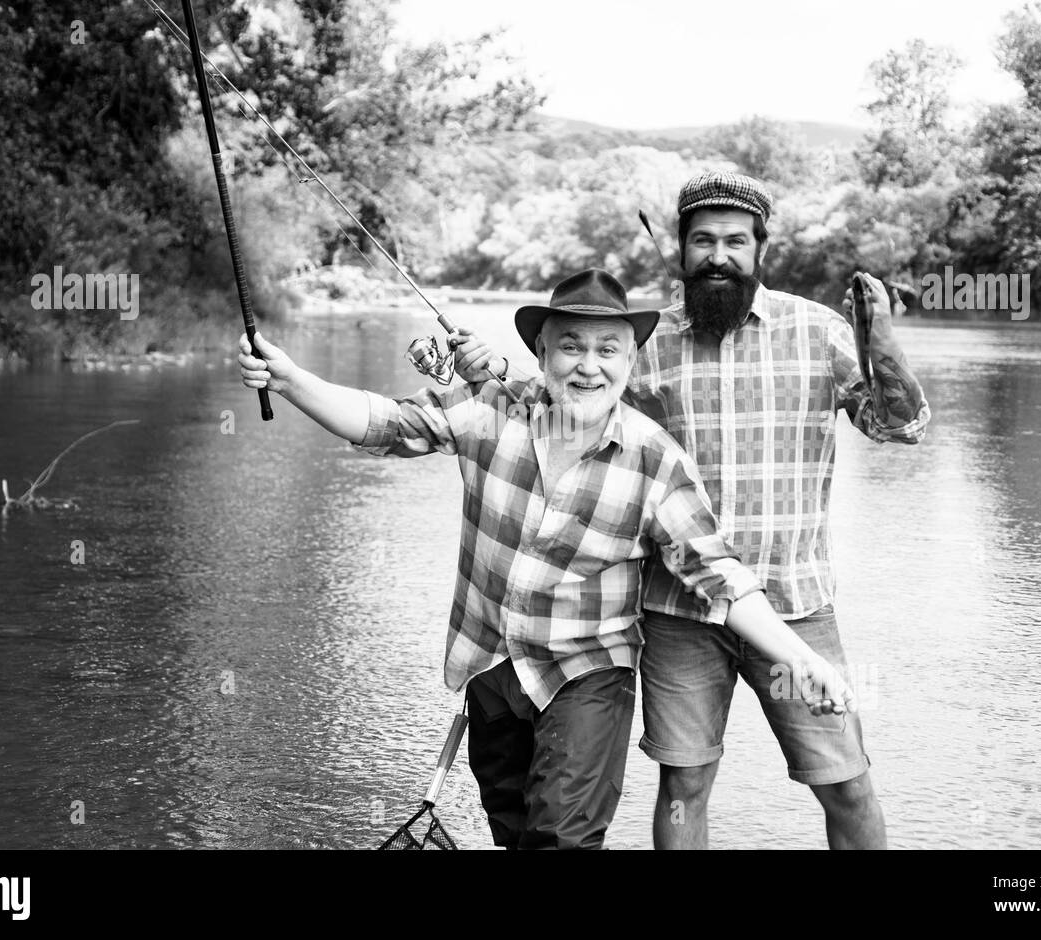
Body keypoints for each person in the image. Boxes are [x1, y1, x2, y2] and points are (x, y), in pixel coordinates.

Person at [238, 267, 856, 850]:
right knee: (515, 832)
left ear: (630, 361)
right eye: (571, 346)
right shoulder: (489, 408)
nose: (589, 367)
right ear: (542, 352)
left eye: (607, 350)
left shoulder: (653, 458)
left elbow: (718, 576)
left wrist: (803, 660)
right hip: (489, 665)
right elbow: (385, 424)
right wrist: (291, 380)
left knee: (562, 837)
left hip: (586, 672)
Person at [453, 173, 931, 850]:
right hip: (676, 608)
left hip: (794, 603)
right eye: (703, 240)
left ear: (760, 250)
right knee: (685, 786)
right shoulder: (648, 345)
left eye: (735, 241)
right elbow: (559, 401)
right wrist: (482, 370)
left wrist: (878, 336)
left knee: (846, 782)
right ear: (681, 250)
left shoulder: (819, 333)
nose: (718, 255)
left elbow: (900, 427)